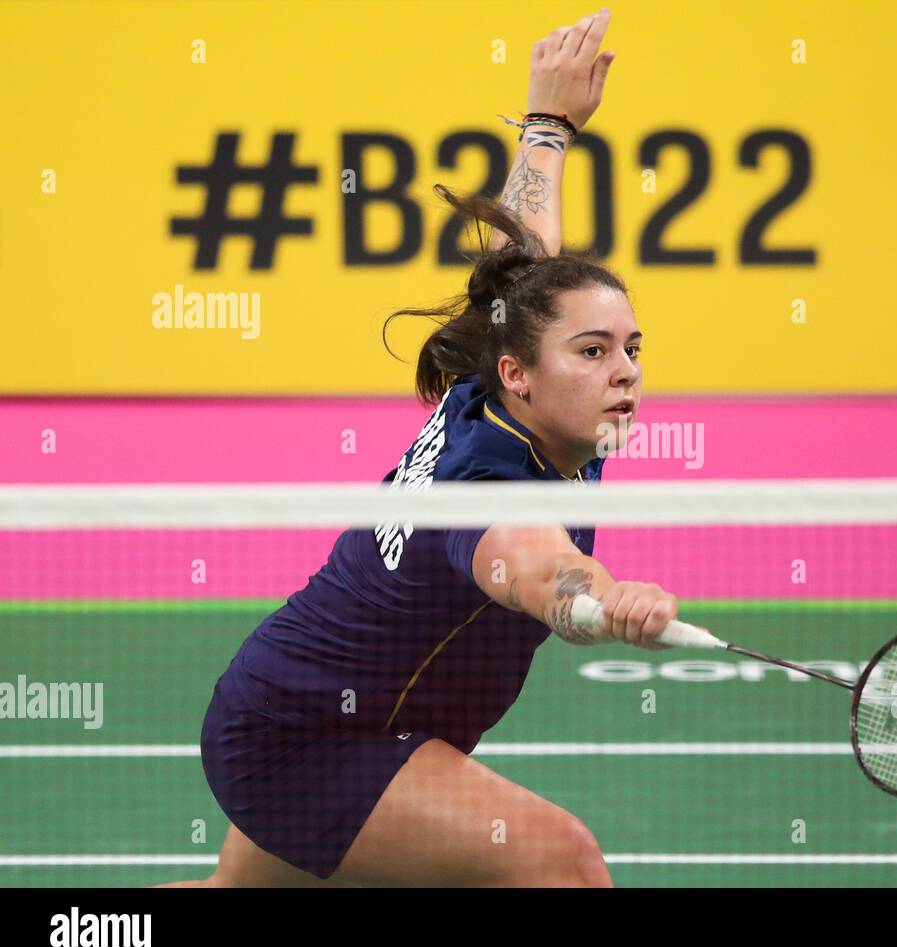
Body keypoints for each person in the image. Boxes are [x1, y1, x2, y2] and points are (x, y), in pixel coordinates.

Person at [164, 9, 675, 888]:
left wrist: (549, 128)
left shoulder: (524, 375)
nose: (623, 372)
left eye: (632, 347)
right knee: (564, 863)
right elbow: (535, 564)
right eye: (594, 352)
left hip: (317, 705)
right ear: (520, 375)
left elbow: (522, 257)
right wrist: (603, 598)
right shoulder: (488, 487)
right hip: (310, 738)